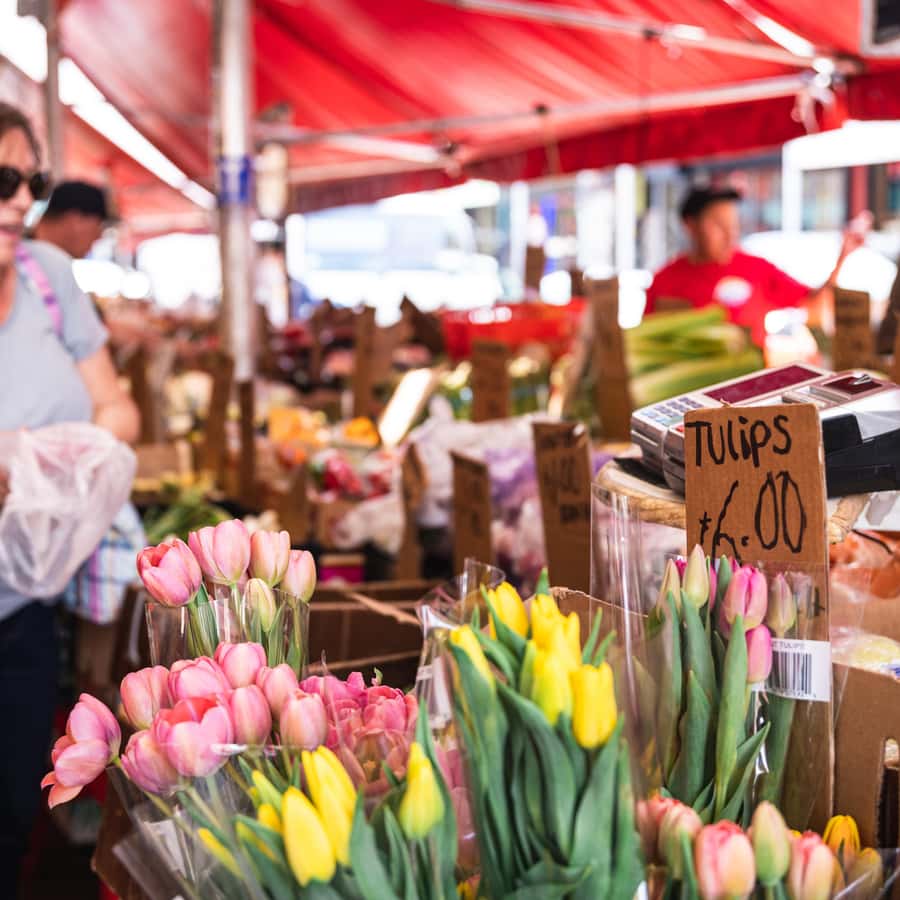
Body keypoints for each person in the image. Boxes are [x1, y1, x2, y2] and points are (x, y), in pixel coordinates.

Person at [0, 102, 138, 896]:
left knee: (13, 807)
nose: (24, 199)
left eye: (34, 180)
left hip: (23, 608)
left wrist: (58, 461)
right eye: (4, 179)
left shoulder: (47, 277)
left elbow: (116, 408)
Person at [645, 185, 868, 346]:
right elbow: (647, 341)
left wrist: (843, 256)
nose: (730, 234)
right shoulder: (664, 281)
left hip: (751, 388)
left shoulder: (756, 268)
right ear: (690, 225)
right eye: (718, 224)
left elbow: (814, 307)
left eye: (733, 224)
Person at [32, 178, 113, 259]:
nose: (99, 237)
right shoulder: (32, 257)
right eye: (98, 227)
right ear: (75, 220)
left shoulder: (44, 256)